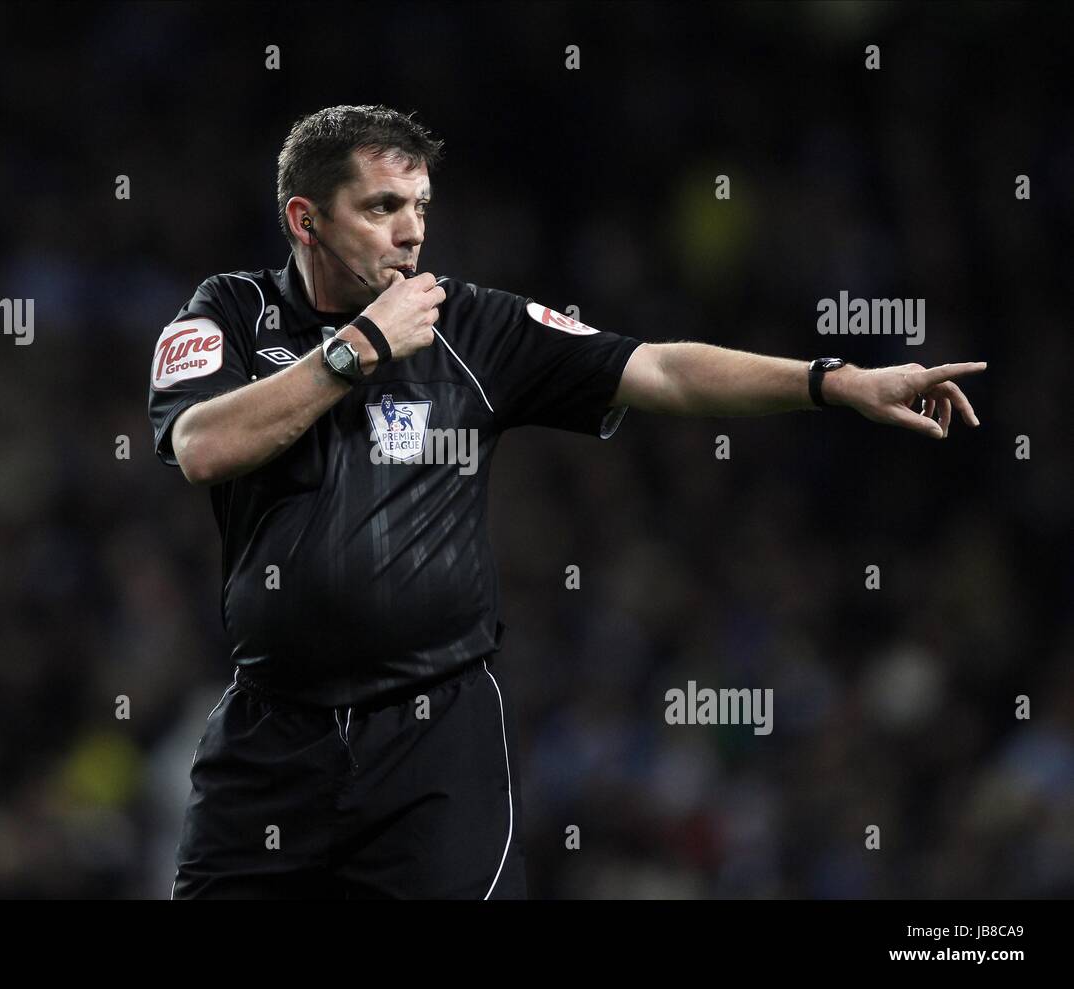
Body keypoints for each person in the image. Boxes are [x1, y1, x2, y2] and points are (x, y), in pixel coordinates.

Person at [147, 104, 986, 899]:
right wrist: (359, 350)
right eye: (382, 206)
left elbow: (658, 369)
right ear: (306, 219)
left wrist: (833, 381)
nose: (412, 231)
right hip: (271, 740)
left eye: (421, 205)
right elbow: (202, 446)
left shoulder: (470, 327)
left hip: (431, 744)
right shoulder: (229, 312)